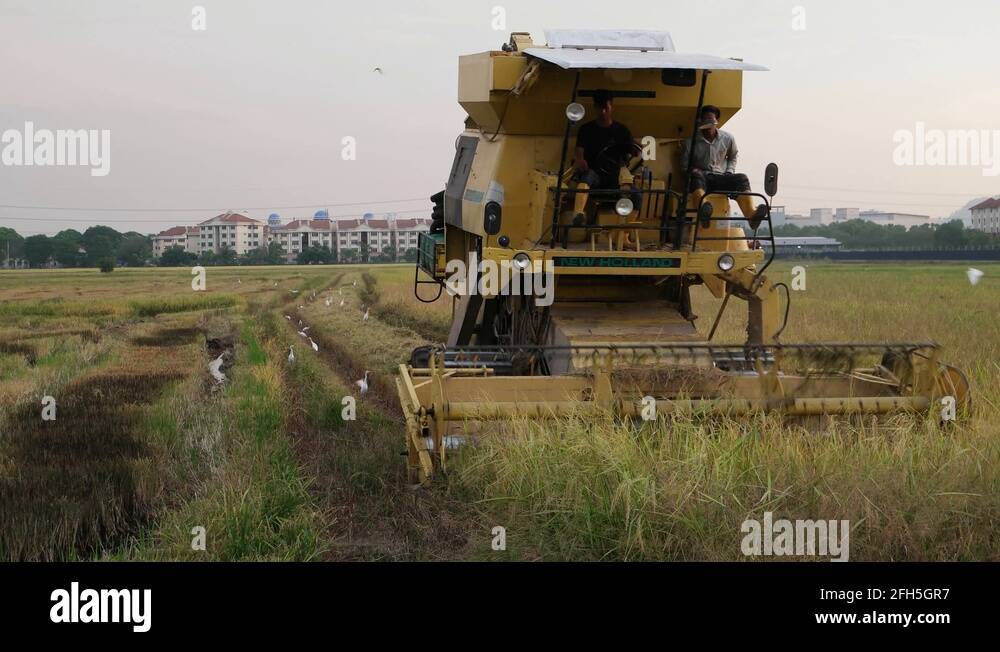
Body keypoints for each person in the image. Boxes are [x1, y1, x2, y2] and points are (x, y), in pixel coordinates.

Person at [680, 105, 767, 229]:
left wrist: (729, 171)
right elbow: (684, 166)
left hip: (721, 177)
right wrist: (692, 170)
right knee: (696, 176)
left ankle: (751, 215)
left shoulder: (728, 138)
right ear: (700, 122)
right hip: (701, 179)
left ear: (717, 121)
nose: (709, 127)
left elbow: (733, 156)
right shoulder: (690, 143)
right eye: (706, 122)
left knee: (742, 178)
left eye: (711, 122)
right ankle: (704, 211)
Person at [571, 90, 638, 225]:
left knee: (636, 195)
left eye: (605, 108)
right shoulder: (586, 129)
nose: (602, 112)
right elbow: (579, 151)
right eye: (599, 108)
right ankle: (578, 214)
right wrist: (580, 160)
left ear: (611, 107)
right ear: (595, 108)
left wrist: (636, 148)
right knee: (587, 177)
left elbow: (632, 150)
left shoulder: (622, 130)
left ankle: (624, 234)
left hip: (615, 175)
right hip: (595, 174)